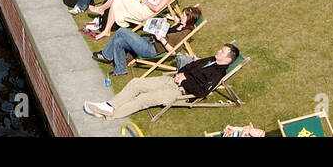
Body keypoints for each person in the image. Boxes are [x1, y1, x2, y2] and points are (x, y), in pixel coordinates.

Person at [83, 44, 238, 119]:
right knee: (137, 83)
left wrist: (184, 81)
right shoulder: (211, 59)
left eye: (222, 51)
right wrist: (181, 74)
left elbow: (202, 91)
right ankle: (110, 106)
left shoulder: (218, 73)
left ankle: (108, 114)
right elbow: (191, 65)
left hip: (181, 93)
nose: (218, 51)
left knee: (143, 99)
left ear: (228, 58)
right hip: (173, 81)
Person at [93, 6, 201, 76]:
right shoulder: (179, 24)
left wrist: (162, 40)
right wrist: (163, 23)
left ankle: (106, 55)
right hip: (149, 40)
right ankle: (121, 69)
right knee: (119, 41)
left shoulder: (185, 33)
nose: (181, 16)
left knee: (122, 31)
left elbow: (174, 52)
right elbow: (167, 31)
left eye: (184, 15)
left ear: (190, 19)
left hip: (151, 49)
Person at [84, 0, 180, 40]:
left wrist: (146, 2)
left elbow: (157, 9)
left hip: (145, 11)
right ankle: (106, 30)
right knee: (117, 0)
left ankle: (102, 10)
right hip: (142, 4)